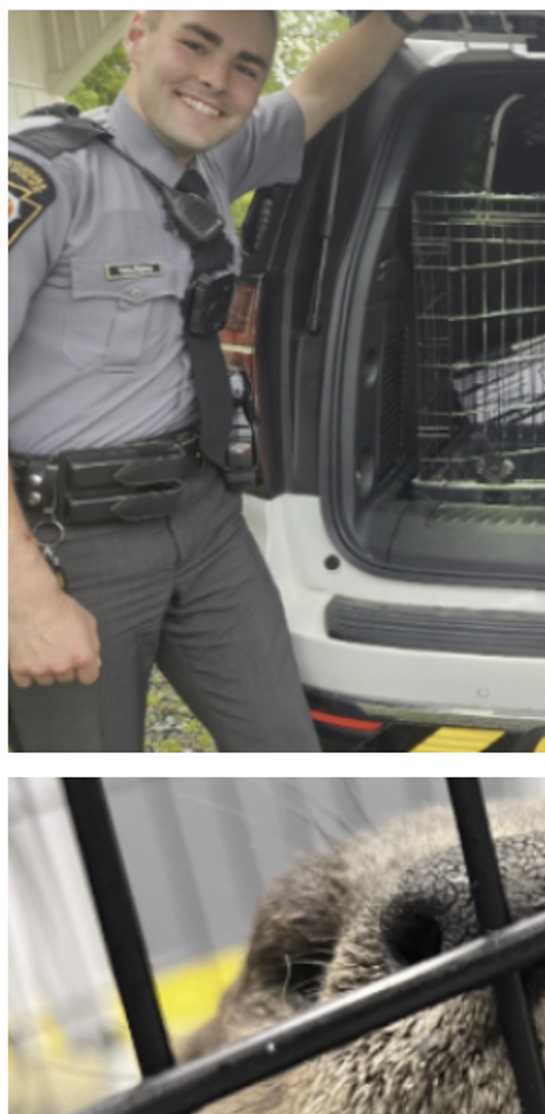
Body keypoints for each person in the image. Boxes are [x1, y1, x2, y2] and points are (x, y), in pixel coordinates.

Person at [8, 10, 430, 752]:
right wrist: (26, 595)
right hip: (69, 545)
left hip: (204, 522)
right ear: (137, 36)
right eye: (196, 44)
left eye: (245, 66)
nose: (215, 79)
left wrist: (398, 18)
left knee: (285, 748)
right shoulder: (42, 179)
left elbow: (320, 94)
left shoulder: (214, 159)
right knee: (94, 781)